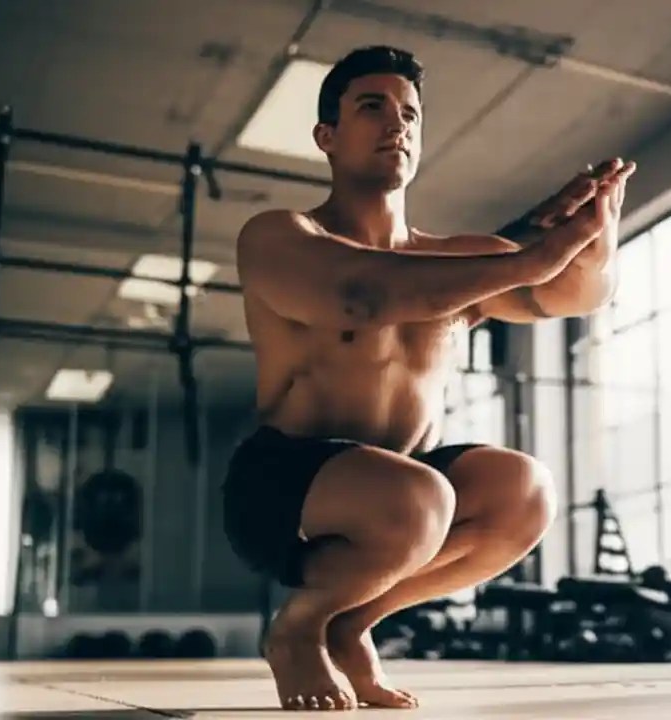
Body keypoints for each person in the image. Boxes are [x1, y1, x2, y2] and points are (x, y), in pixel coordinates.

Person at [224, 45, 635, 712]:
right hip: (281, 491)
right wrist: (534, 257)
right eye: (372, 107)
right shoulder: (278, 236)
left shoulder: (460, 259)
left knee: (524, 490)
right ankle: (297, 632)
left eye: (411, 114)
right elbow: (363, 294)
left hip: (403, 490)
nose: (399, 125)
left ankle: (351, 622)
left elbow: (573, 293)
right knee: (419, 498)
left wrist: (596, 235)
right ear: (326, 138)